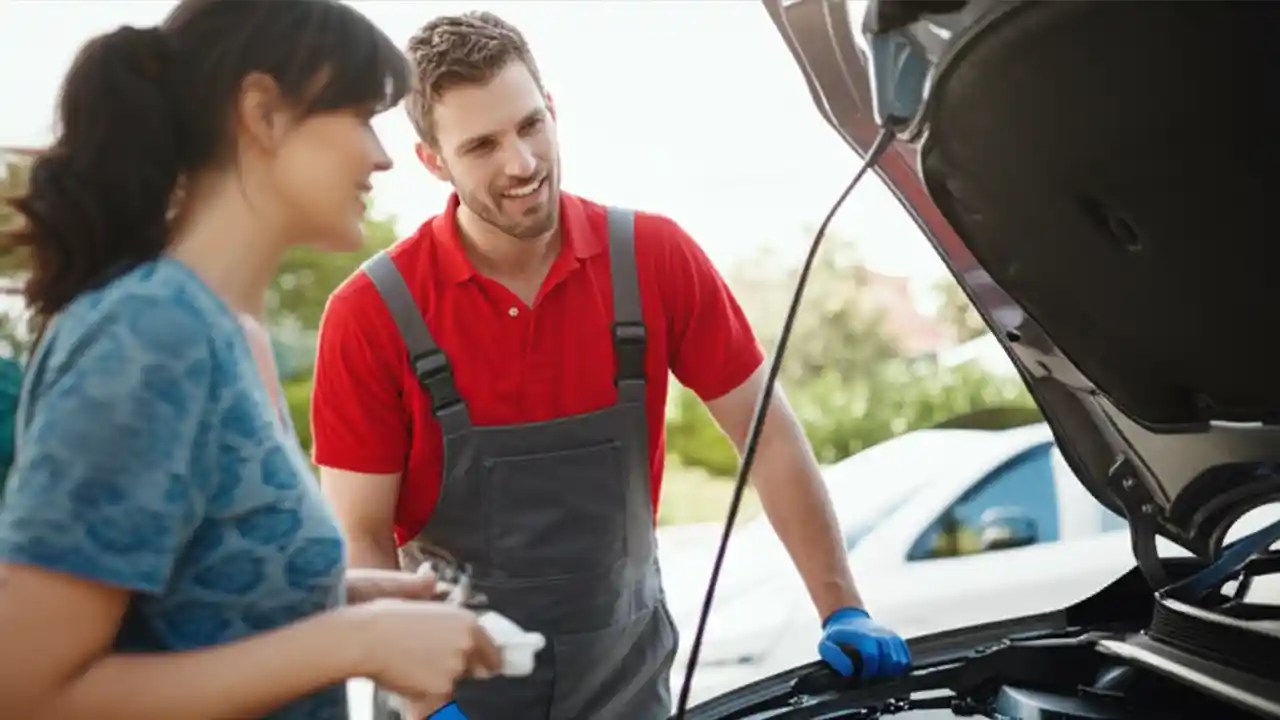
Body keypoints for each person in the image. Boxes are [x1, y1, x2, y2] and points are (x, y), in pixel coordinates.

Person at [311, 10, 911, 719]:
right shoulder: (373, 314)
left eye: (531, 125)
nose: (522, 163)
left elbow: (768, 438)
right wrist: (420, 698)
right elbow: (360, 534)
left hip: (625, 685)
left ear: (553, 109)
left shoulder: (653, 260)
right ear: (433, 161)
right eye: (482, 145)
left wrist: (840, 607)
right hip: (452, 693)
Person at [0, 2, 502, 719]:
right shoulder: (150, 334)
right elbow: (25, 692)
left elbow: (187, 605)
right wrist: (355, 639)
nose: (381, 155)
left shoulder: (234, 340)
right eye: (360, 116)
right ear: (263, 112)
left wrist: (347, 597)